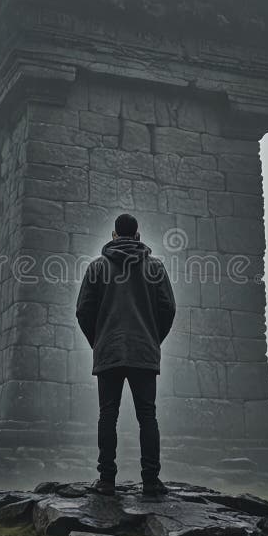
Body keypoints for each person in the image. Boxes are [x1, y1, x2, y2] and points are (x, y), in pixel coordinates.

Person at [75, 213, 176, 497]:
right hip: (143, 351)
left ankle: (107, 480)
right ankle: (151, 481)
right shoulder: (155, 268)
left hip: (109, 351)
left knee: (108, 414)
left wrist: (99, 341)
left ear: (114, 235)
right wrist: (153, 339)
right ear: (138, 234)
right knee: (148, 416)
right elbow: (168, 308)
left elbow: (83, 310)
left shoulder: (97, 268)